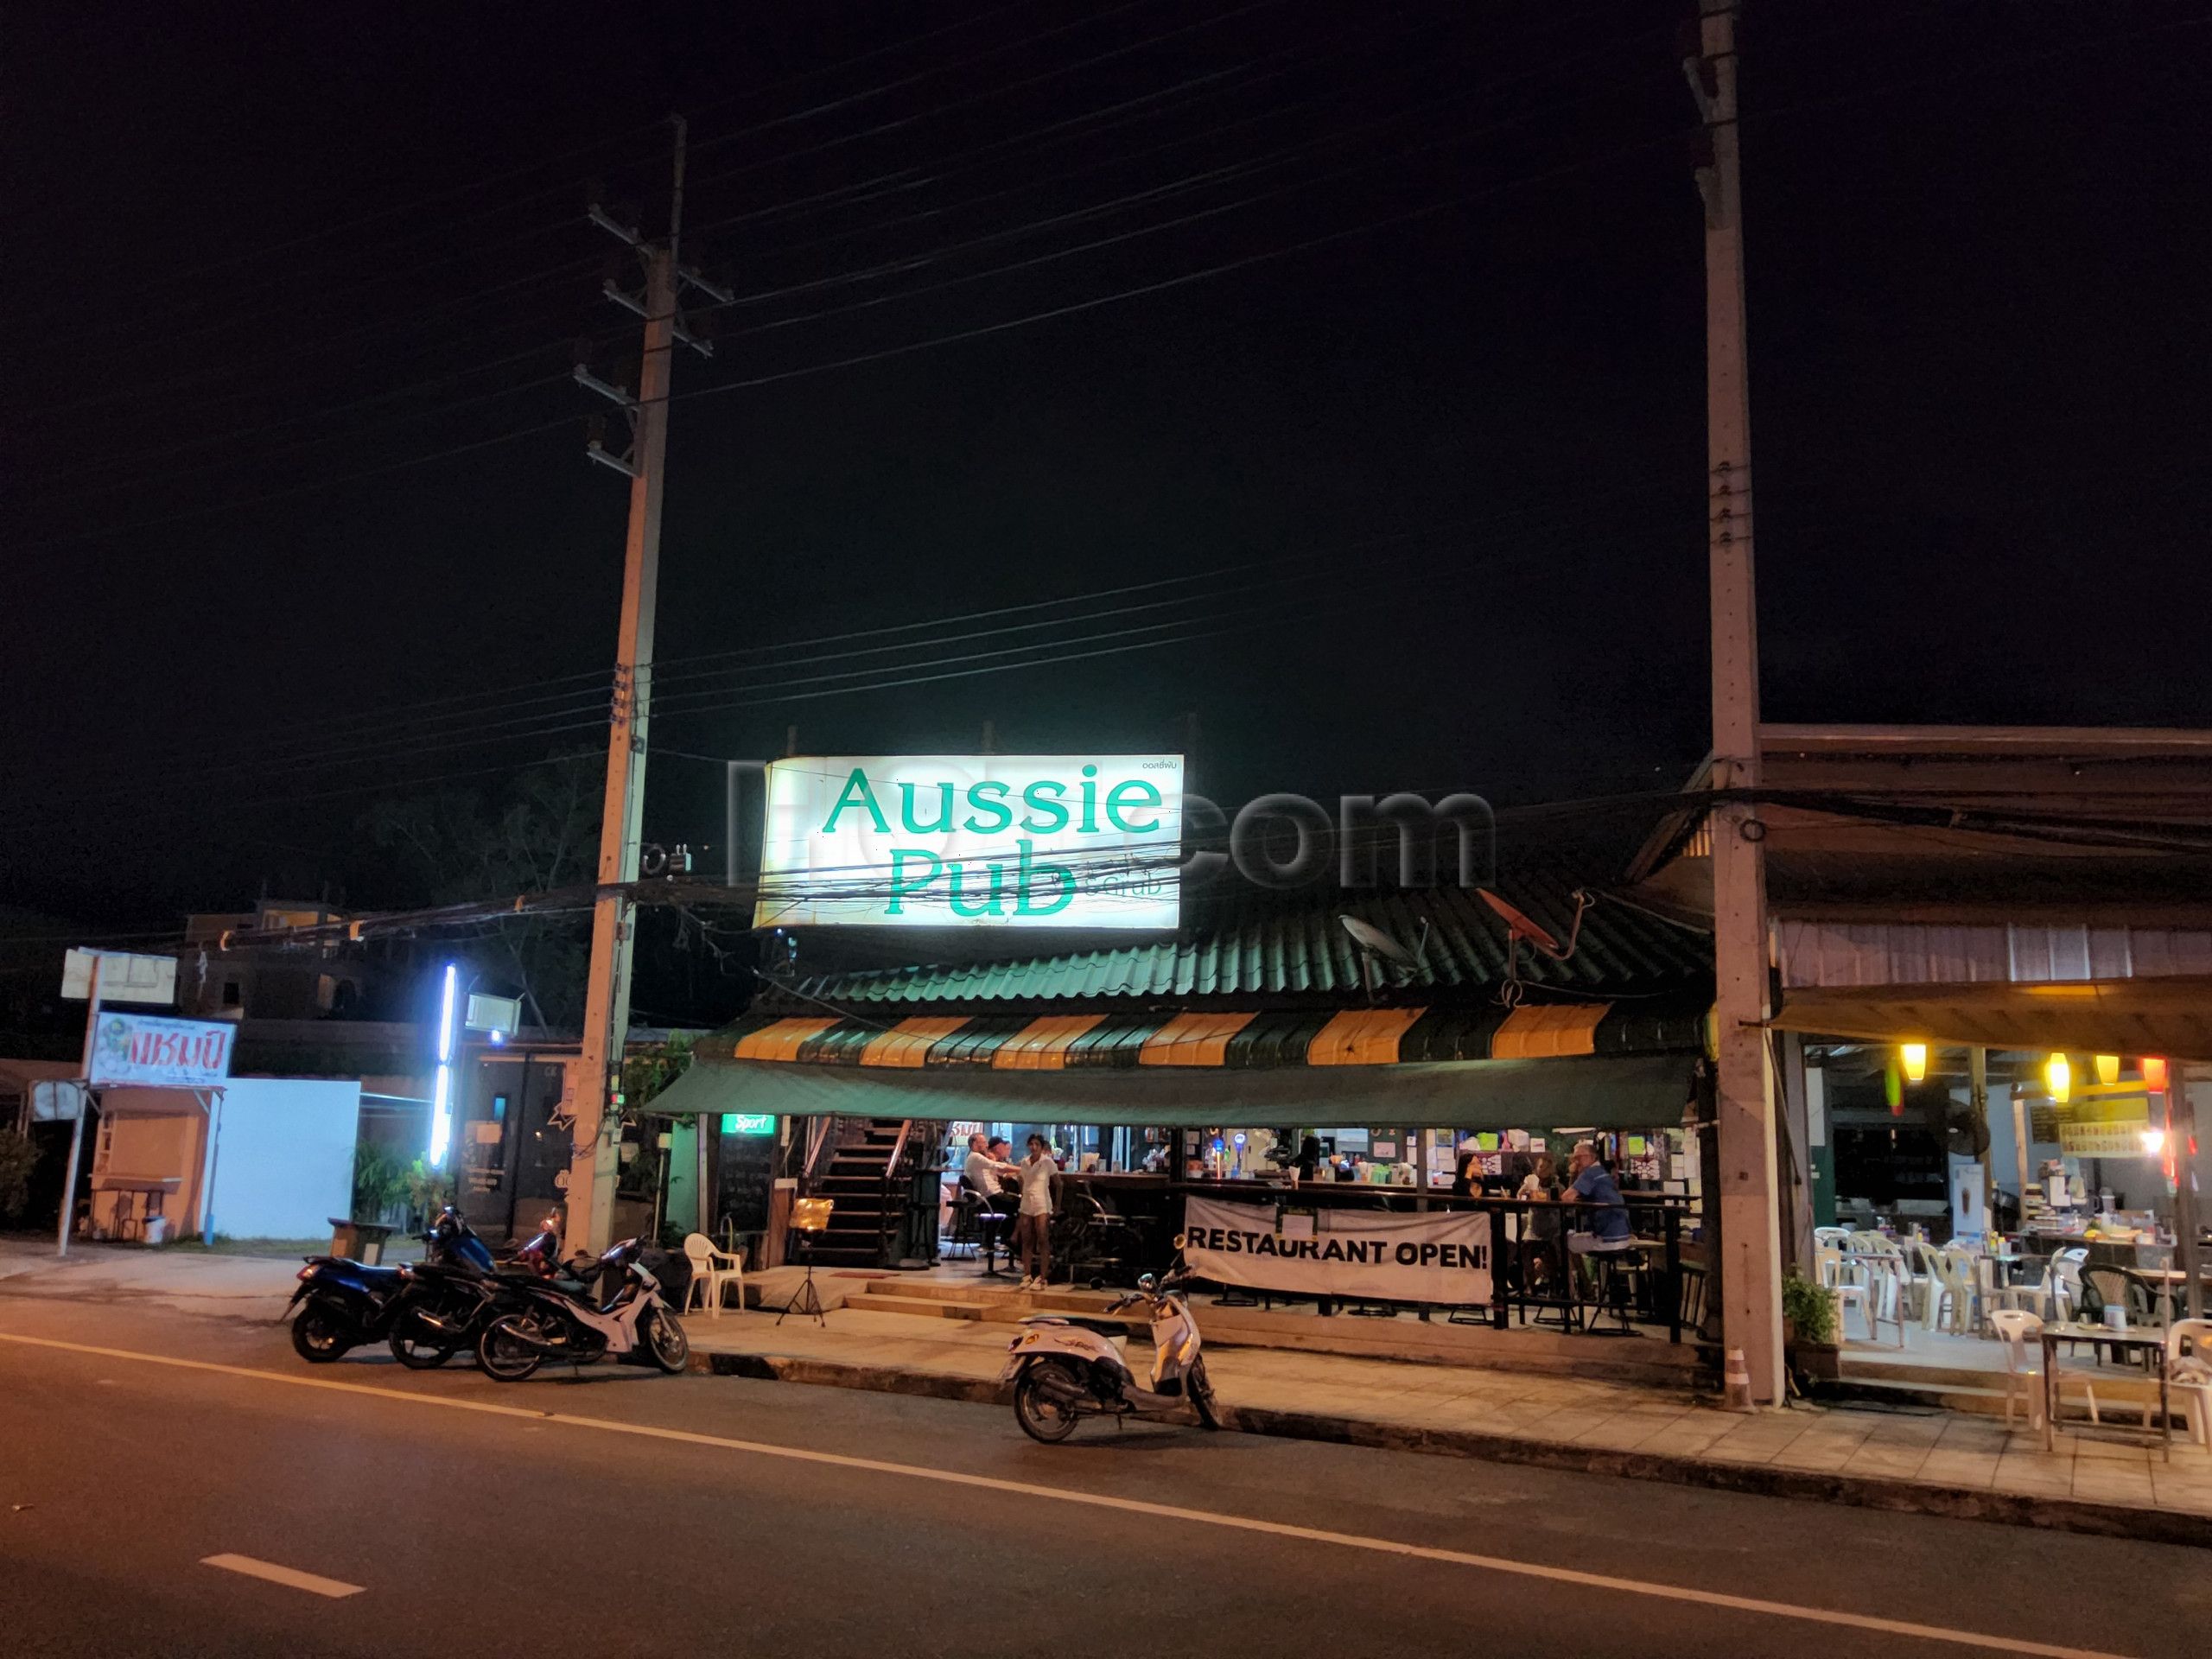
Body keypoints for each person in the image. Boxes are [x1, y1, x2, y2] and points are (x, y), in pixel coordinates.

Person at [1014, 1132, 1060, 1290]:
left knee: (1042, 1239)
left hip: (1042, 1203)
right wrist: (1023, 1194)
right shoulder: (1025, 1162)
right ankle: (1027, 1275)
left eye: (1037, 1144)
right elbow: (1021, 1179)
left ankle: (1043, 1277)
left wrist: (1057, 1205)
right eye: (1031, 1144)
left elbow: (1058, 1184)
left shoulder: (1048, 1162)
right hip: (1027, 1202)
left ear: (1042, 1147)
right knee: (1026, 1240)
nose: (1034, 1147)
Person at [1564, 1140, 1631, 1245]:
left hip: (1606, 1238)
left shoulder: (1590, 1173)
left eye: (1579, 1157)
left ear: (1592, 1157)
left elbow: (1566, 1198)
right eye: (1574, 1158)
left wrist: (1573, 1173)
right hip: (1622, 1236)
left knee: (1562, 1239)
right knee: (1572, 1237)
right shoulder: (1600, 1171)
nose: (1576, 1161)